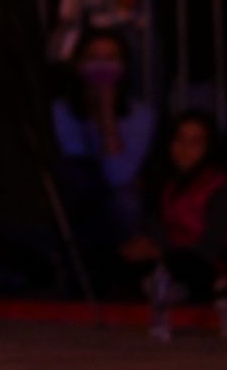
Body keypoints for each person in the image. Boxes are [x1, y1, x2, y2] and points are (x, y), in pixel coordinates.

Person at [120, 109, 227, 302]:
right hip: (172, 258)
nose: (184, 148)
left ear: (209, 147)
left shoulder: (223, 188)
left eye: (195, 142)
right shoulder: (167, 184)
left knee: (188, 267)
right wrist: (146, 247)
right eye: (179, 140)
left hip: (214, 264)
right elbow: (157, 230)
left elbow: (210, 248)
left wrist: (159, 253)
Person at [49, 24, 155, 255]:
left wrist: (107, 117)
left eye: (111, 58)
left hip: (114, 198)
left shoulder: (140, 115)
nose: (102, 66)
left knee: (127, 199)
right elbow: (75, 161)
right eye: (94, 58)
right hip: (77, 194)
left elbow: (118, 176)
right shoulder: (61, 110)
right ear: (78, 64)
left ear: (124, 66)